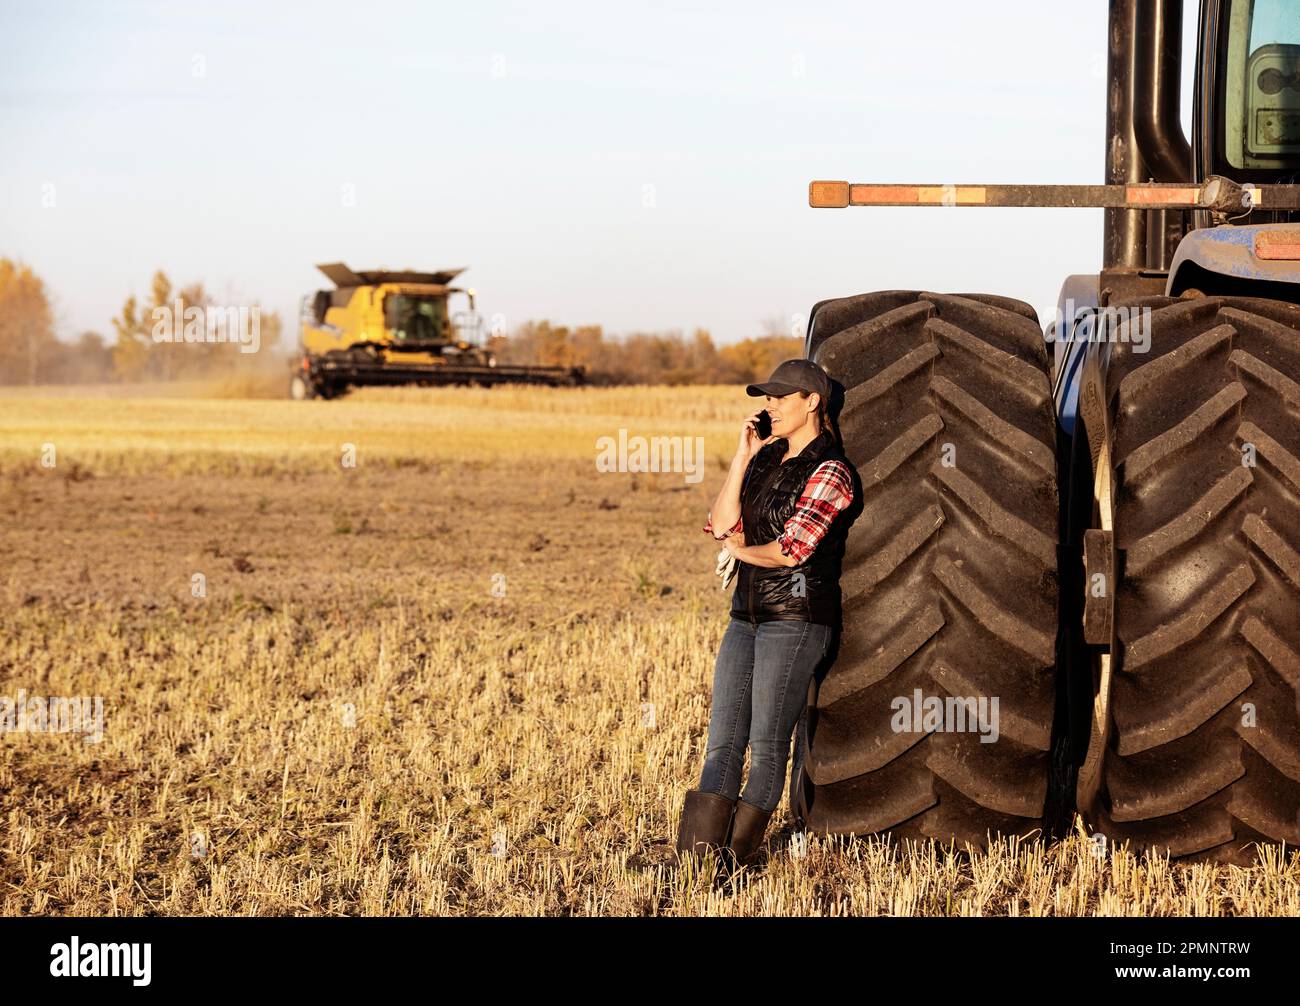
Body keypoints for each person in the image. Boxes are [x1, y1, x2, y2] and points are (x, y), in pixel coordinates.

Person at [675, 358, 857, 871]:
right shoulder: (766, 459)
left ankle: (733, 862)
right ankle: (697, 861)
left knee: (767, 742)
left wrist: (740, 550)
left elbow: (793, 549)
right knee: (723, 741)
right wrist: (742, 456)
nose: (769, 406)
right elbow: (720, 523)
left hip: (794, 621)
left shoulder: (832, 472)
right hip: (746, 617)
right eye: (767, 398)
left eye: (780, 397)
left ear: (812, 402)